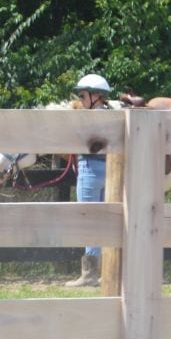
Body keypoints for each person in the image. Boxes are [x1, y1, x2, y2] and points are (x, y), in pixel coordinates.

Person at [63, 72, 126, 288]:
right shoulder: (113, 116)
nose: (80, 100)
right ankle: (110, 270)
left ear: (95, 96)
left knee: (88, 218)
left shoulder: (87, 118)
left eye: (82, 96)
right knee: (108, 219)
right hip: (110, 170)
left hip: (89, 169)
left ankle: (89, 273)